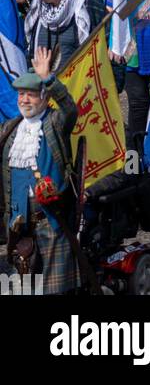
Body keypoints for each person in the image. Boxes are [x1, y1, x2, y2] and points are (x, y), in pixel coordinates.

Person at [1, 49, 80, 295]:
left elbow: (70, 108)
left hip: (51, 223)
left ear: (45, 97)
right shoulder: (10, 129)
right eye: (21, 94)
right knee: (21, 290)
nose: (24, 99)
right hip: (18, 228)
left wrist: (49, 79)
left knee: (55, 292)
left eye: (31, 95)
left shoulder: (55, 122)